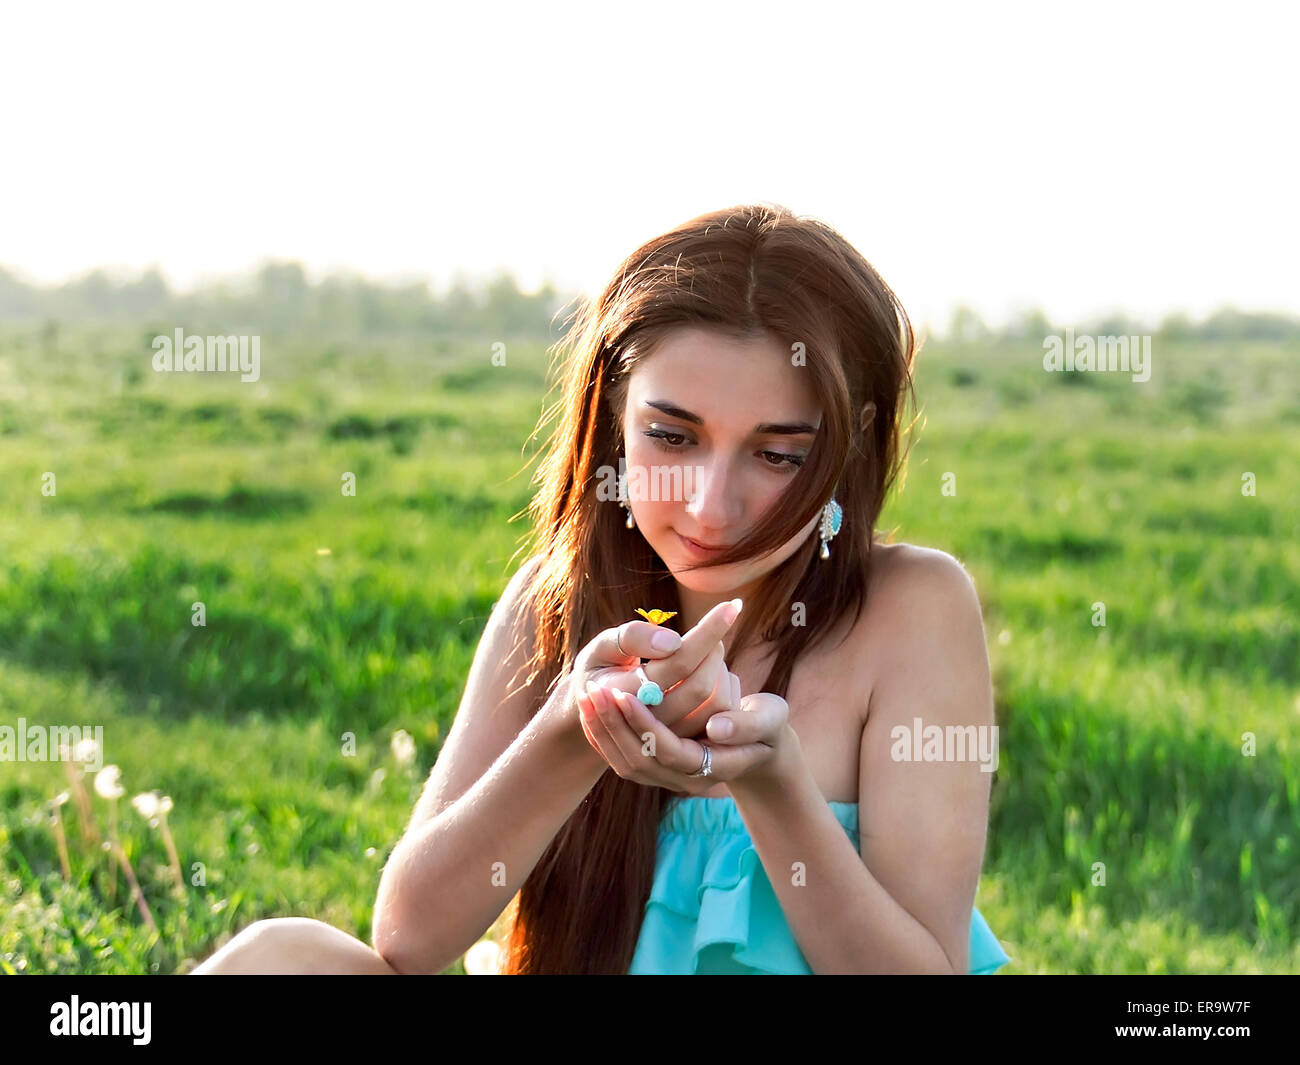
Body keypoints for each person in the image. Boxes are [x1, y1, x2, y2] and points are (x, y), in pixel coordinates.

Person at [191, 202, 1011, 975]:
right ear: (614, 414)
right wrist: (569, 733)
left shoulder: (913, 608)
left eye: (776, 454)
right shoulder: (550, 602)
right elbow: (408, 938)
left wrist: (775, 787)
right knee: (283, 954)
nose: (709, 505)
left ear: (852, 446)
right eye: (671, 436)